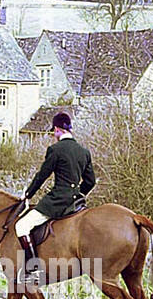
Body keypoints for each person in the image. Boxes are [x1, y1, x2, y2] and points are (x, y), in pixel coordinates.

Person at [16, 111, 95, 286]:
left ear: (58, 130)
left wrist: (28, 194)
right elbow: (91, 181)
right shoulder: (84, 151)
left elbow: (42, 175)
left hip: (58, 201)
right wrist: (79, 195)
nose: (53, 134)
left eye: (54, 131)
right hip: (76, 202)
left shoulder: (55, 150)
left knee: (21, 226)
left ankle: (32, 269)